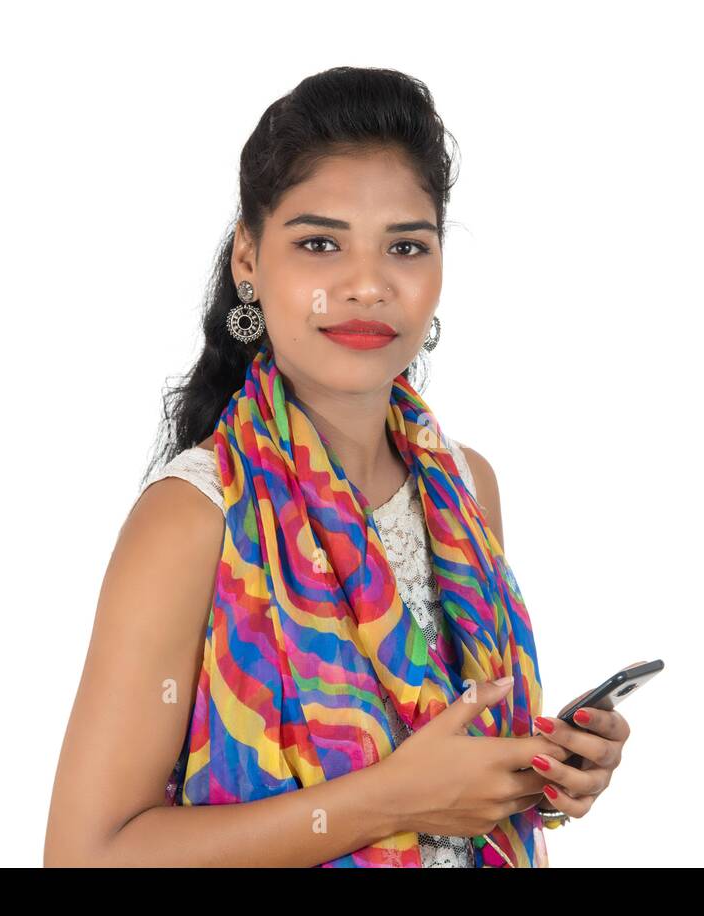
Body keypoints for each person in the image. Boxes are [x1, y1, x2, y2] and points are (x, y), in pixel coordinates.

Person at [44, 66, 634, 868]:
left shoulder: (467, 486)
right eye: (319, 243)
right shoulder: (194, 516)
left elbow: (456, 775)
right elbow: (87, 856)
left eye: (405, 246)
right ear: (248, 261)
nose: (365, 285)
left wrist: (543, 768)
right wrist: (391, 796)